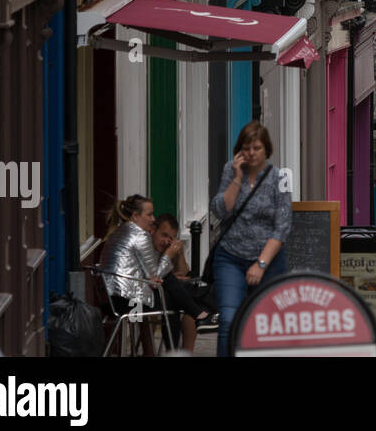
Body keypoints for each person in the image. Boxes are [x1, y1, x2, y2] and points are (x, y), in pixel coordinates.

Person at [210, 120, 292, 357]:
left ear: (266, 149)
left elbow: (282, 226)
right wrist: (236, 179)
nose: (251, 153)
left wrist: (261, 263)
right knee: (229, 320)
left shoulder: (280, 178)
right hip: (231, 257)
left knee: (268, 323)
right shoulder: (230, 170)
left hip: (269, 261)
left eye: (256, 148)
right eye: (246, 148)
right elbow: (220, 210)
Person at [101, 195, 206, 353]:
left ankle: (194, 318)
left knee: (170, 290)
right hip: (128, 303)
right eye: (149, 214)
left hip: (114, 298)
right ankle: (193, 321)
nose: (152, 219)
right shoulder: (139, 236)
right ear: (136, 216)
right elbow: (155, 276)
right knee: (171, 300)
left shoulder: (123, 231)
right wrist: (168, 255)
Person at [152, 213, 218, 348]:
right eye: (164, 235)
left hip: (169, 294)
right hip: (150, 295)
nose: (166, 241)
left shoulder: (167, 248)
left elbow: (184, 275)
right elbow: (154, 276)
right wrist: (167, 270)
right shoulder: (146, 248)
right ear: (153, 230)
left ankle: (184, 353)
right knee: (186, 301)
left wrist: (179, 253)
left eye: (170, 238)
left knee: (189, 306)